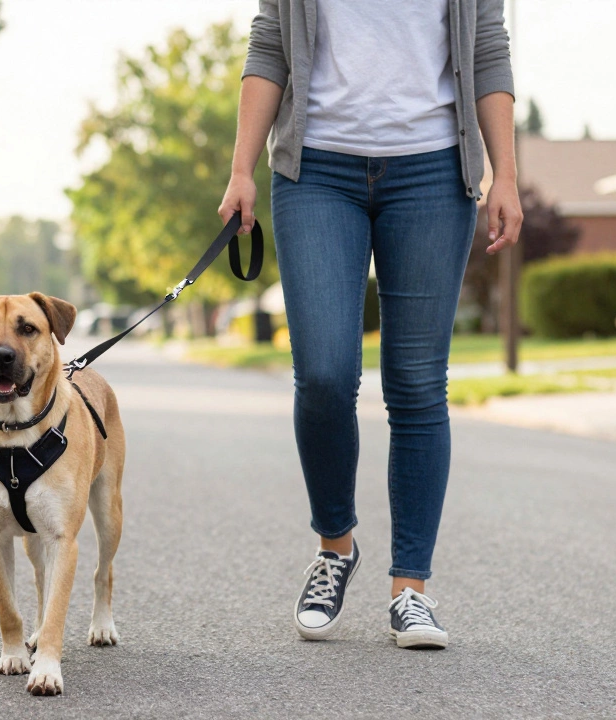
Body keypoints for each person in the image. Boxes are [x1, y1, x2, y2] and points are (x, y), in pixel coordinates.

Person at [220, 0, 521, 649]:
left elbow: (487, 50)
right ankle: (335, 546)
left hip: (435, 173)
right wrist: (242, 168)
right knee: (325, 373)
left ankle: (410, 589)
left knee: (415, 384)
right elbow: (270, 44)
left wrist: (507, 176)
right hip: (316, 169)